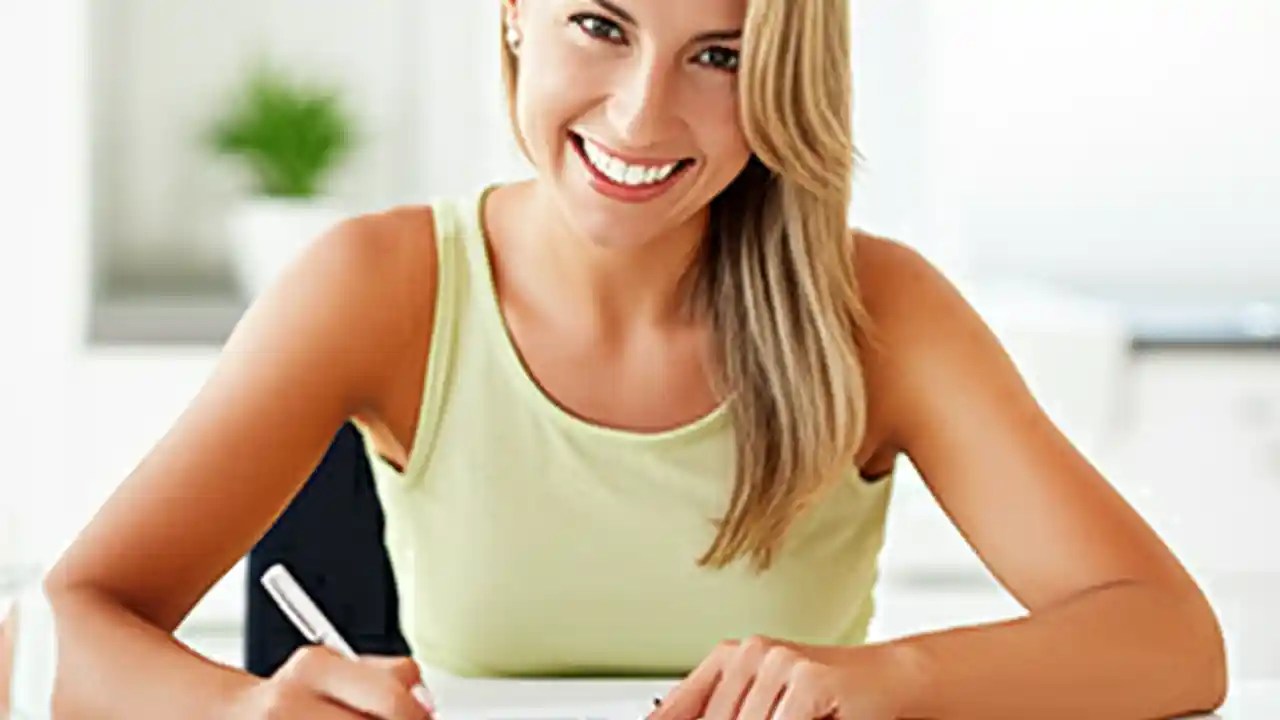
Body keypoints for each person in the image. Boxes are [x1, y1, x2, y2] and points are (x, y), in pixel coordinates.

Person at [1, 0, 1228, 717]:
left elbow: (1172, 639)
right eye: (599, 23)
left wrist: (885, 679)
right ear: (514, 15)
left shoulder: (878, 311)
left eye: (719, 54)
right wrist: (237, 709)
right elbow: (54, 626)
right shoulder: (377, 287)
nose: (641, 114)